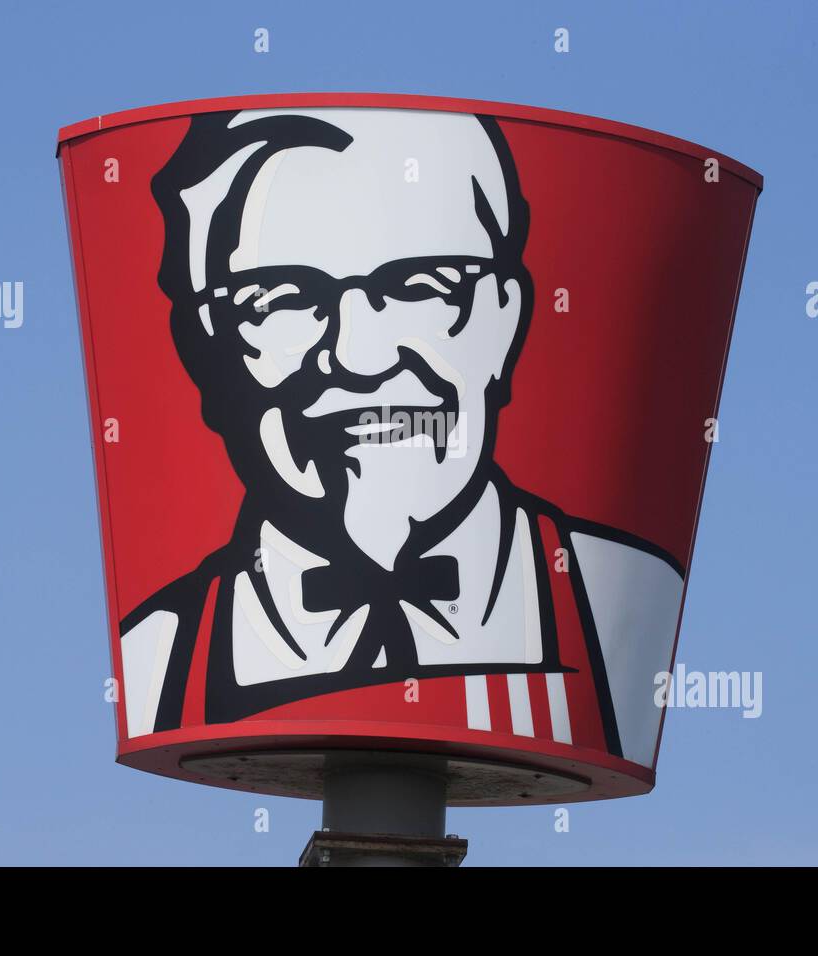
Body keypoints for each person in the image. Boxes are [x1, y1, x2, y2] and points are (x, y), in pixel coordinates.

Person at [120, 107, 684, 768]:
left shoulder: (622, 600)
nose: (359, 355)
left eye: (420, 287)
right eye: (282, 299)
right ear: (206, 352)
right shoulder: (154, 656)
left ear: (505, 321)